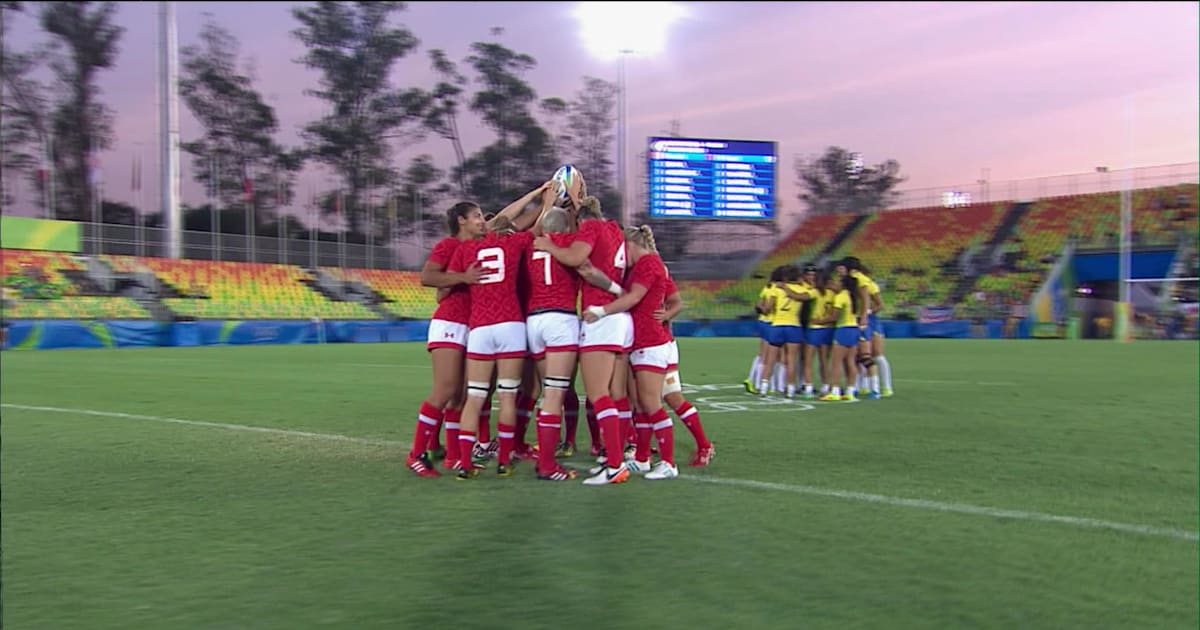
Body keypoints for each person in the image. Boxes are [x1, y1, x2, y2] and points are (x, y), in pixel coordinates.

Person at [534, 196, 633, 486]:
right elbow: (595, 271)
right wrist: (618, 293)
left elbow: (581, 263)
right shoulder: (614, 230)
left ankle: (615, 465)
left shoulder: (589, 229)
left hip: (599, 318)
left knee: (598, 393)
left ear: (580, 219)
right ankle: (612, 457)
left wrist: (550, 245)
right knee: (615, 393)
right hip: (617, 317)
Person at [582, 226, 678, 480]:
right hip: (639, 341)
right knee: (639, 403)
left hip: (650, 342)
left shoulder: (647, 263)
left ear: (632, 245)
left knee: (650, 403)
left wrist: (602, 311)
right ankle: (642, 458)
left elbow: (634, 297)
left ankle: (669, 462)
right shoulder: (648, 265)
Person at [404, 202, 486, 477]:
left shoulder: (479, 247)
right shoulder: (448, 245)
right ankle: (416, 455)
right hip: (450, 322)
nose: (482, 220)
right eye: (476, 216)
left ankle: (453, 457)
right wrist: (464, 277)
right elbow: (427, 277)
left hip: (470, 325)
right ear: (461, 220)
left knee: (461, 395)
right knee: (445, 389)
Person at [524, 206, 586, 481]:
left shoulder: (531, 246)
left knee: (547, 391)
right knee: (555, 393)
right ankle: (547, 465)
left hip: (533, 322)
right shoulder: (571, 243)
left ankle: (547, 454)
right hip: (560, 321)